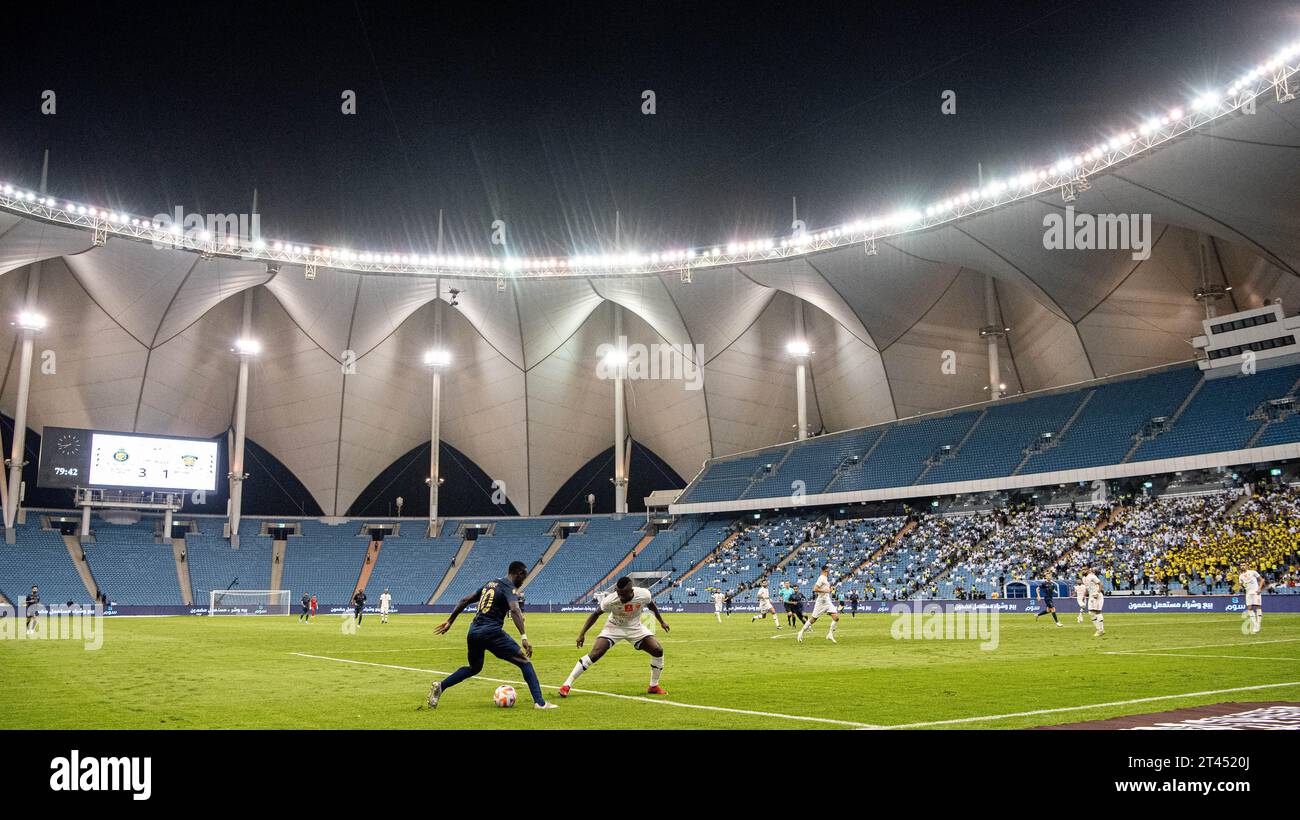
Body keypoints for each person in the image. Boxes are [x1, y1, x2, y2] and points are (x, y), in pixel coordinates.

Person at [426, 561, 556, 710]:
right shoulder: (509, 588)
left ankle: (441, 686)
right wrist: (524, 637)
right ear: (518, 574)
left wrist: (450, 620)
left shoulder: (490, 583)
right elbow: (514, 610)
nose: (522, 583)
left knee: (474, 668)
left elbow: (465, 600)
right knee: (524, 661)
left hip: (474, 632)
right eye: (523, 578)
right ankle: (540, 703)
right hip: (491, 632)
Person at [559, 576, 671, 697]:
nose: (620, 597)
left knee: (657, 650)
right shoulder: (610, 600)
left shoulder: (644, 594)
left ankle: (653, 686)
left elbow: (651, 606)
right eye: (618, 593)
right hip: (613, 627)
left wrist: (661, 621)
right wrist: (582, 634)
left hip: (635, 627)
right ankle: (566, 684)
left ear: (631, 591)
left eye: (623, 594)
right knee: (595, 653)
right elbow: (595, 614)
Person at [797, 564, 839, 643]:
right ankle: (801, 632)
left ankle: (830, 634)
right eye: (828, 569)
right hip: (821, 602)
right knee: (813, 620)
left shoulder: (826, 579)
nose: (829, 571)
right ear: (825, 570)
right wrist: (827, 591)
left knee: (836, 617)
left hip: (827, 601)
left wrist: (830, 589)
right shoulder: (821, 578)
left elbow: (826, 589)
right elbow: (815, 589)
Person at [1239, 563, 1264, 634]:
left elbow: (1262, 580)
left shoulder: (1253, 572)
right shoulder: (1240, 576)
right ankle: (1255, 624)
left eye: (1243, 565)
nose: (1242, 566)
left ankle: (1258, 624)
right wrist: (1241, 587)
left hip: (1256, 592)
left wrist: (1259, 588)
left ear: (1247, 566)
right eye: (1241, 566)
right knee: (1249, 608)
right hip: (1248, 593)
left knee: (1258, 606)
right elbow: (1241, 585)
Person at [1083, 565, 1105, 637]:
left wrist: (1097, 593)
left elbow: (1101, 584)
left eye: (1085, 569)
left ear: (1089, 570)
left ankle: (1100, 630)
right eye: (1083, 570)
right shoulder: (1084, 578)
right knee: (1091, 613)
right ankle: (1099, 629)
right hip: (1091, 596)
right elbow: (1087, 588)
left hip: (1097, 595)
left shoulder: (1092, 576)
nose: (1084, 571)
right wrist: (1084, 595)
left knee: (1097, 611)